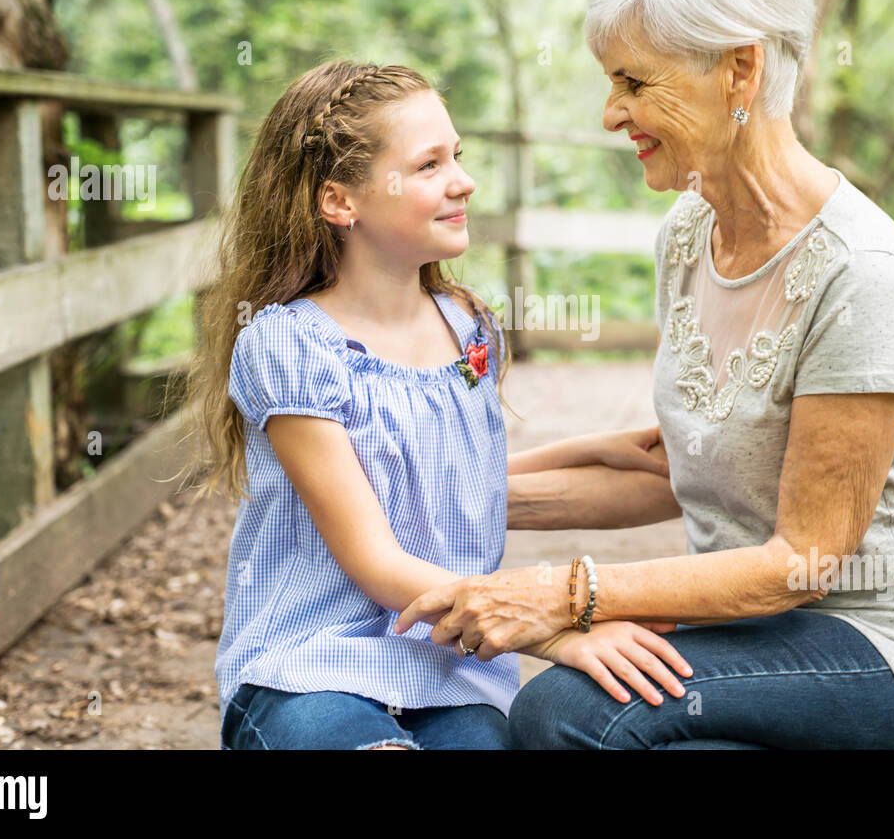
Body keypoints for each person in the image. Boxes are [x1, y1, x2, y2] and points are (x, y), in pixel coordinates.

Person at [394, 0, 894, 750]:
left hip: (877, 639)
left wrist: (568, 594)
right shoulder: (688, 230)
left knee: (567, 715)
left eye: (634, 82)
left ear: (740, 71)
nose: (609, 112)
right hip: (743, 631)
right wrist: (425, 495)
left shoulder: (862, 273)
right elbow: (674, 472)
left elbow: (805, 561)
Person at [181, 60, 691, 749]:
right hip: (312, 668)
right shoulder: (291, 347)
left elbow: (434, 475)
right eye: (428, 165)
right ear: (340, 202)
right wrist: (556, 628)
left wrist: (588, 450)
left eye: (458, 156)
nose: (463, 180)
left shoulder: (467, 327)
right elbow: (375, 559)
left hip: (451, 671)